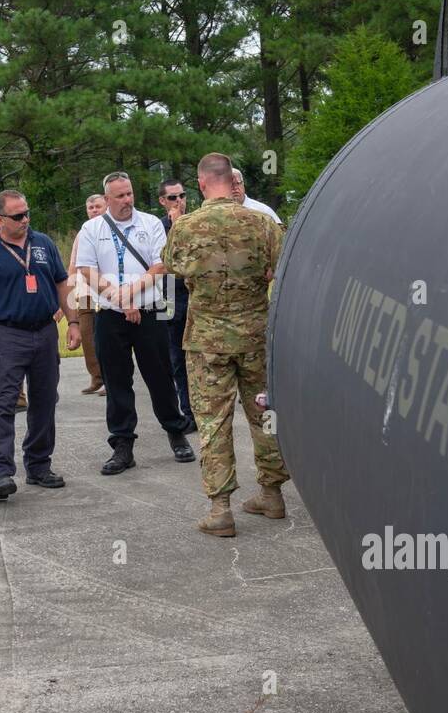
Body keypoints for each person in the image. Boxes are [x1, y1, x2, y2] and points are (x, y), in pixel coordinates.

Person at [164, 153, 290, 538]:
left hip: (207, 342)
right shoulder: (264, 223)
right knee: (264, 413)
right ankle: (271, 493)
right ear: (231, 181)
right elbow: (281, 267)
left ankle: (221, 509)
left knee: (213, 421)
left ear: (202, 183)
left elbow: (172, 267)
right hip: (256, 335)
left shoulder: (186, 227)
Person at [75, 170, 195, 475]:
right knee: (116, 381)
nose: (127, 200)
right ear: (106, 199)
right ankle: (123, 446)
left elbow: (161, 264)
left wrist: (131, 292)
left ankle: (176, 432)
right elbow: (86, 270)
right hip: (111, 315)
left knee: (160, 375)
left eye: (129, 193)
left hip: (150, 309)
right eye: (120, 196)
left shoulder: (151, 223)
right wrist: (119, 297)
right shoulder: (92, 228)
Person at [0, 190, 80, 499]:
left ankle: (39, 465)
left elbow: (62, 283)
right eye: (18, 216)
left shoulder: (43, 243)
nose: (25, 219)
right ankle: (1, 471)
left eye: (27, 213)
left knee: (45, 401)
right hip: (9, 335)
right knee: (5, 402)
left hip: (45, 331)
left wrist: (72, 321)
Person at [157, 179, 196, 432]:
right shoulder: (158, 227)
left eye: (181, 195)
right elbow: (162, 261)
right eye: (172, 197)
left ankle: (200, 410)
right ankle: (186, 412)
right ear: (163, 201)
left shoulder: (195, 222)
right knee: (175, 358)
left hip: (194, 293)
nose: (179, 201)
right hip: (169, 293)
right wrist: (173, 226)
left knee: (197, 355)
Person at [68, 194, 107, 395]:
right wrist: (69, 289)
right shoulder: (83, 232)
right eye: (90, 207)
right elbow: (73, 264)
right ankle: (96, 377)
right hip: (84, 291)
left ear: (106, 206)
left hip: (107, 291)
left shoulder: (111, 228)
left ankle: (110, 379)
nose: (94, 210)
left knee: (106, 336)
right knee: (86, 334)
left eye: (97, 206)